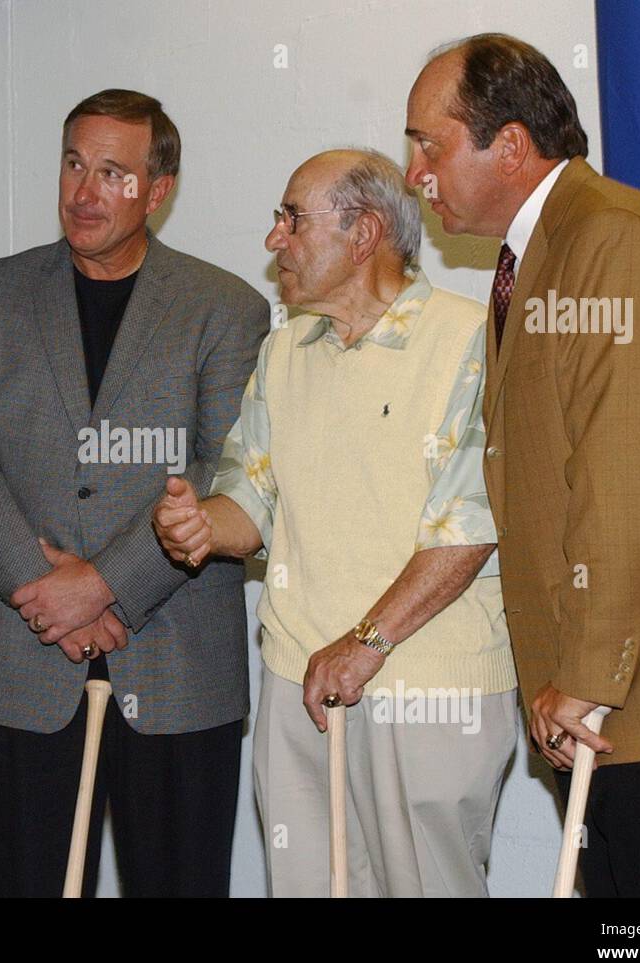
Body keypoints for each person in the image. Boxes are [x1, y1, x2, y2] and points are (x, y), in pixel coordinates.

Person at [404, 32, 640, 896]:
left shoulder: (611, 238)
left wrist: (583, 679)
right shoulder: (540, 252)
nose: (416, 172)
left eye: (430, 142)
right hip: (616, 695)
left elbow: (626, 486)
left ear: (509, 145)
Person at [0, 89, 268, 897]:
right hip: (21, 651)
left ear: (158, 190)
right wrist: (46, 589)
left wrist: (104, 582)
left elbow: (226, 475)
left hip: (181, 662)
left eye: (114, 172)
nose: (84, 191)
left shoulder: (226, 309)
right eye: (75, 163)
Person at [154, 149, 516, 897]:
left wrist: (366, 641)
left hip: (429, 688)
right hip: (299, 687)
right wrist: (200, 525)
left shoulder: (468, 341)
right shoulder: (284, 348)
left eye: (292, 219)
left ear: (364, 235)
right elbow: (249, 501)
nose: (273, 241)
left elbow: (469, 525)